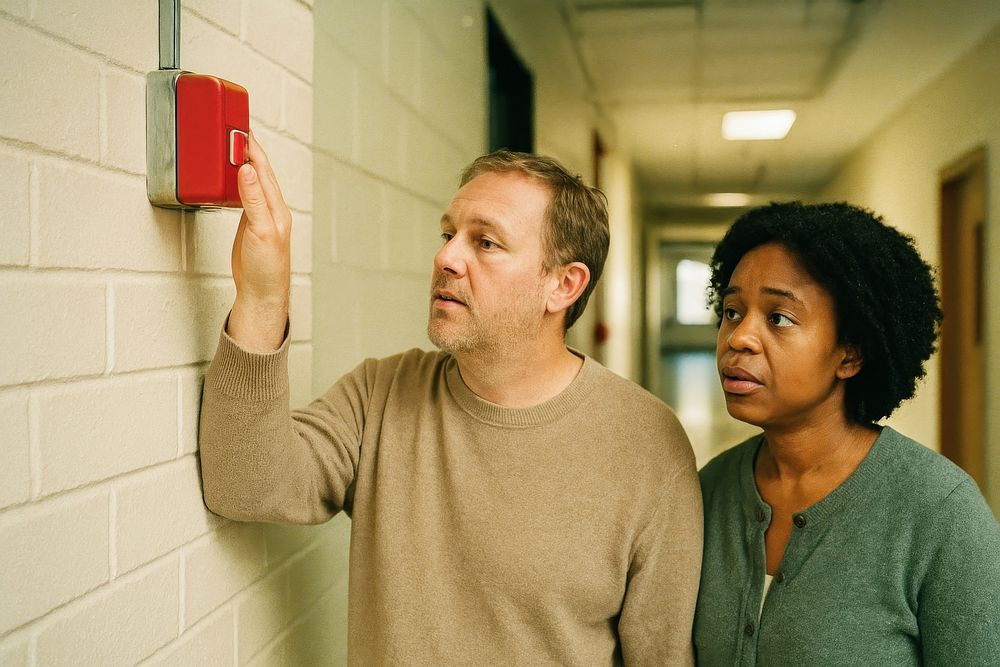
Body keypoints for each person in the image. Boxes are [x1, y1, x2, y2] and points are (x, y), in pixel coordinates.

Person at [199, 134, 703, 665]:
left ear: (563, 285)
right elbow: (245, 484)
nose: (446, 256)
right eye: (448, 233)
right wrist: (262, 295)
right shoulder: (381, 394)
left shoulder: (647, 444)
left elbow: (662, 656)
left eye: (486, 242)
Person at [693, 201, 1000, 665]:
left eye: (779, 318)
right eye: (733, 312)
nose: (738, 338)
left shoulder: (940, 513)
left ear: (850, 355)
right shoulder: (710, 490)